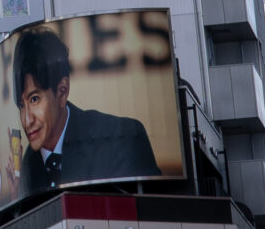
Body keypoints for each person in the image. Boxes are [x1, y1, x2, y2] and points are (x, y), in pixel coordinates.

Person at [14, 26, 159, 194]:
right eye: (21, 104)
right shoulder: (28, 165)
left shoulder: (124, 138)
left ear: (62, 91)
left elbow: (151, 213)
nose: (27, 120)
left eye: (34, 99)